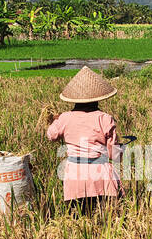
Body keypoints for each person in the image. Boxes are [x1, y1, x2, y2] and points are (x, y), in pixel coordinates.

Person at [45, 66, 122, 211]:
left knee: (76, 217)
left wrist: (55, 121)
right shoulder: (105, 119)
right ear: (98, 99)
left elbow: (51, 135)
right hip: (100, 176)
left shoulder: (65, 118)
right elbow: (114, 155)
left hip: (75, 175)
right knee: (107, 219)